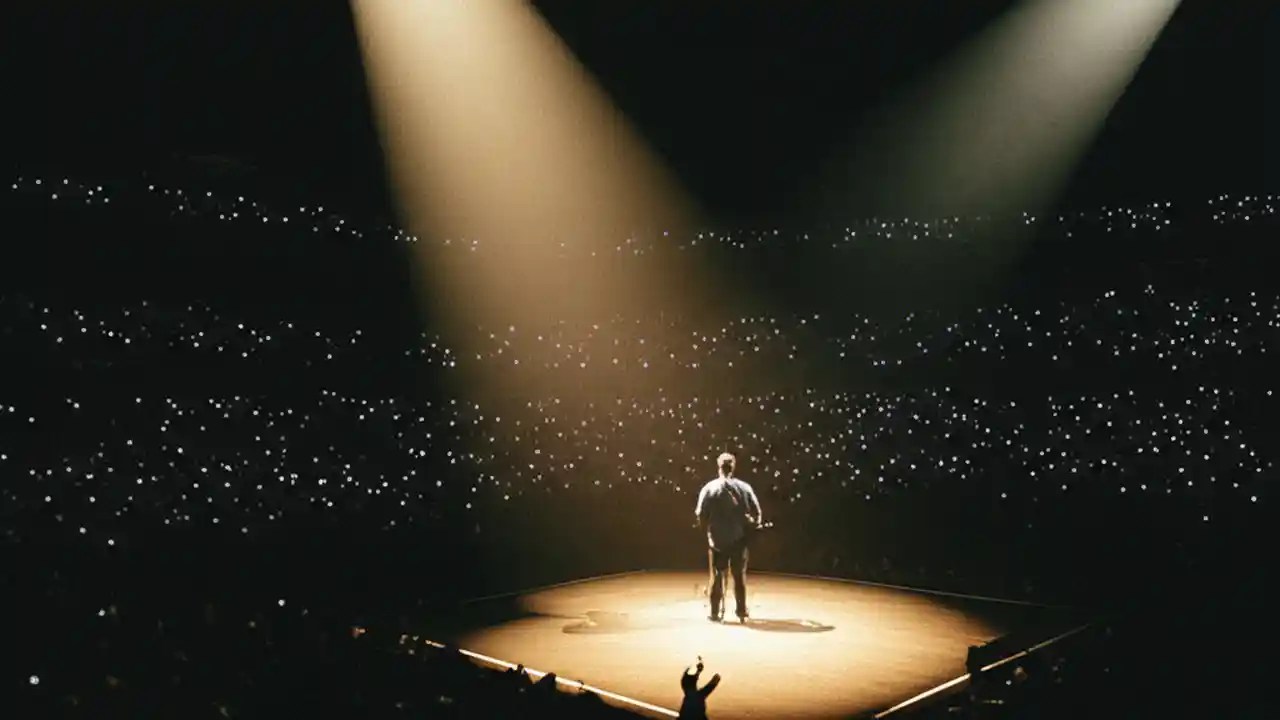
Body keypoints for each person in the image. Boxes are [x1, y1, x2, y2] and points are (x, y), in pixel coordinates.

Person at [694, 452, 762, 622]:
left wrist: (707, 531)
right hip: (739, 539)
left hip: (717, 540)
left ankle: (715, 612)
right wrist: (751, 528)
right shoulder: (744, 488)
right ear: (733, 467)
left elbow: (701, 514)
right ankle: (741, 612)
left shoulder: (709, 488)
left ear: (719, 467)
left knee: (717, 575)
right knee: (739, 576)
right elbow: (757, 514)